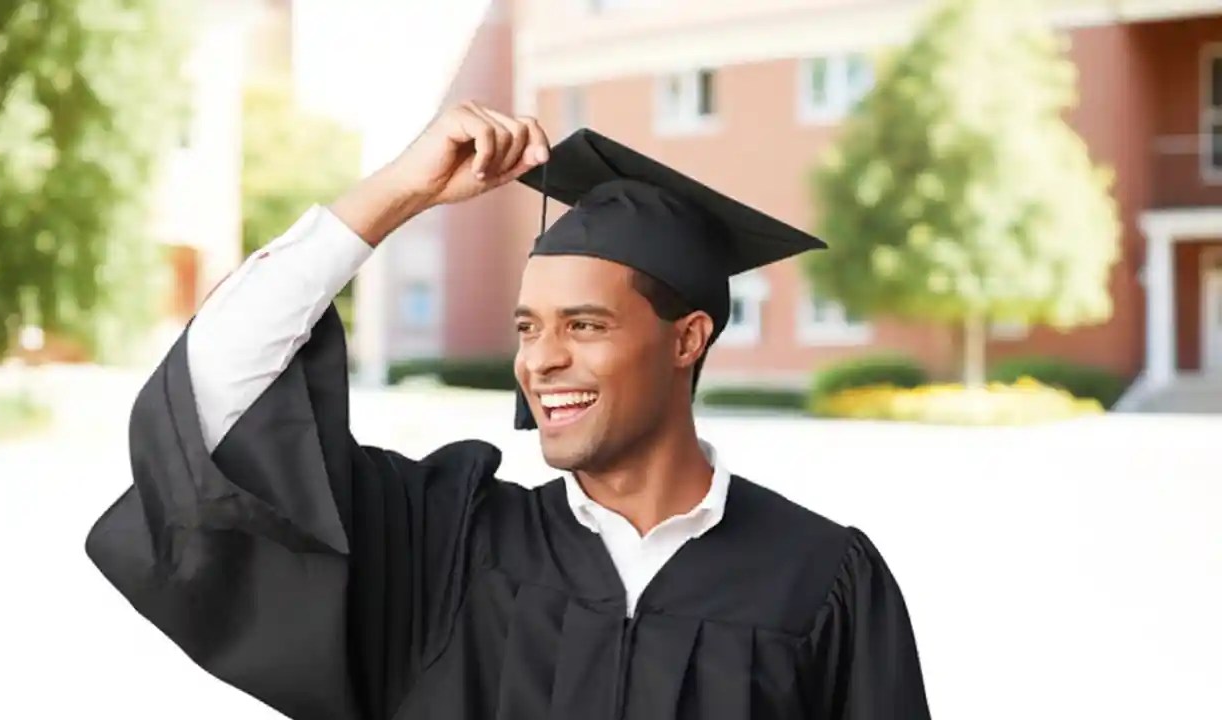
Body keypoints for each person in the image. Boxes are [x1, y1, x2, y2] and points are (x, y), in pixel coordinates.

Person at [86, 101, 931, 719]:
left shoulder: (821, 581)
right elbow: (215, 396)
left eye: (585, 325)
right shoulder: (448, 545)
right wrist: (396, 195)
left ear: (688, 340)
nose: (541, 359)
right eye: (527, 327)